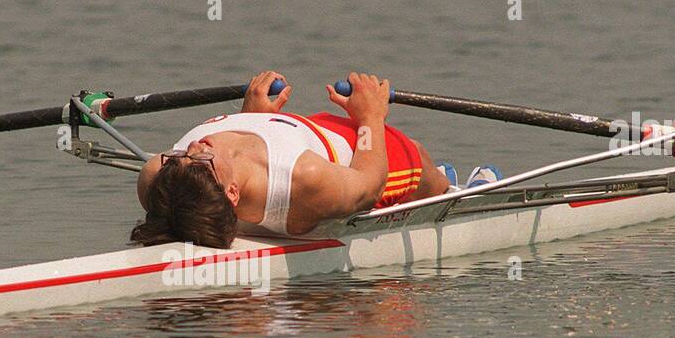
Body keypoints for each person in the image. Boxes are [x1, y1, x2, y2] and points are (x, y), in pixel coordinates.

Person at [131, 71, 453, 248]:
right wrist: (371, 115)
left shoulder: (158, 176)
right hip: (345, 153)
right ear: (232, 192)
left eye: (180, 157)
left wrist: (250, 119)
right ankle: (452, 186)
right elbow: (369, 185)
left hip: (296, 132)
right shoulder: (303, 180)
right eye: (203, 161)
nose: (197, 147)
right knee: (419, 159)